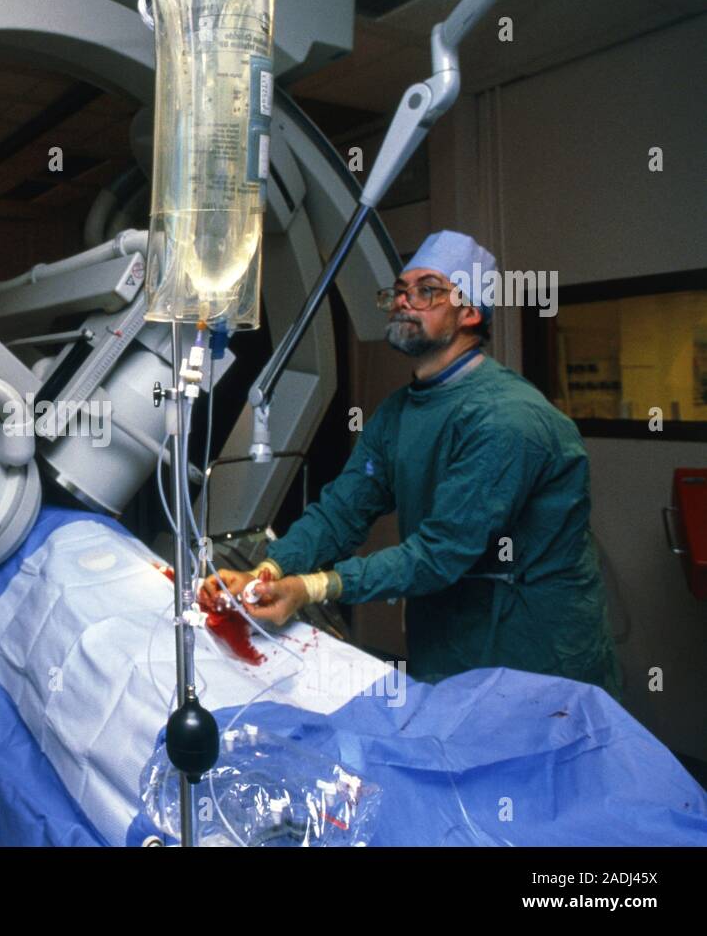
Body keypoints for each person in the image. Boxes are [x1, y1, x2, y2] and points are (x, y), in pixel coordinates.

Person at [202, 230, 622, 697]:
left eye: (427, 290)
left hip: (532, 648)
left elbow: (440, 553)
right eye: (400, 290)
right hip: (448, 639)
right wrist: (270, 570)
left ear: (470, 311)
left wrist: (313, 588)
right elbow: (342, 511)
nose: (404, 301)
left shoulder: (508, 419)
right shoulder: (400, 412)